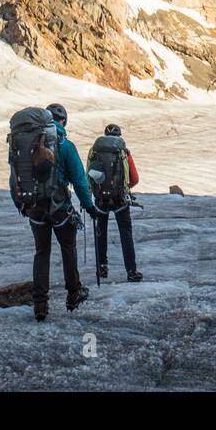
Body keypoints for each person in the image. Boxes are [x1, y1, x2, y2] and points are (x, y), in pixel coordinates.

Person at [29, 103, 99, 322]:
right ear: (63, 122)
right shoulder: (65, 145)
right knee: (68, 247)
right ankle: (73, 292)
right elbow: (79, 179)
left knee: (42, 252)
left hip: (35, 208)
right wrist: (89, 206)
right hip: (59, 207)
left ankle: (40, 304)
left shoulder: (29, 144)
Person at [86, 123, 143, 282]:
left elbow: (88, 174)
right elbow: (135, 178)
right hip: (120, 199)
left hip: (100, 199)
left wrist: (94, 190)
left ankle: (102, 267)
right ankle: (131, 271)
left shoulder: (94, 151)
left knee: (101, 231)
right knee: (125, 233)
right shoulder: (123, 152)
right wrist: (125, 188)